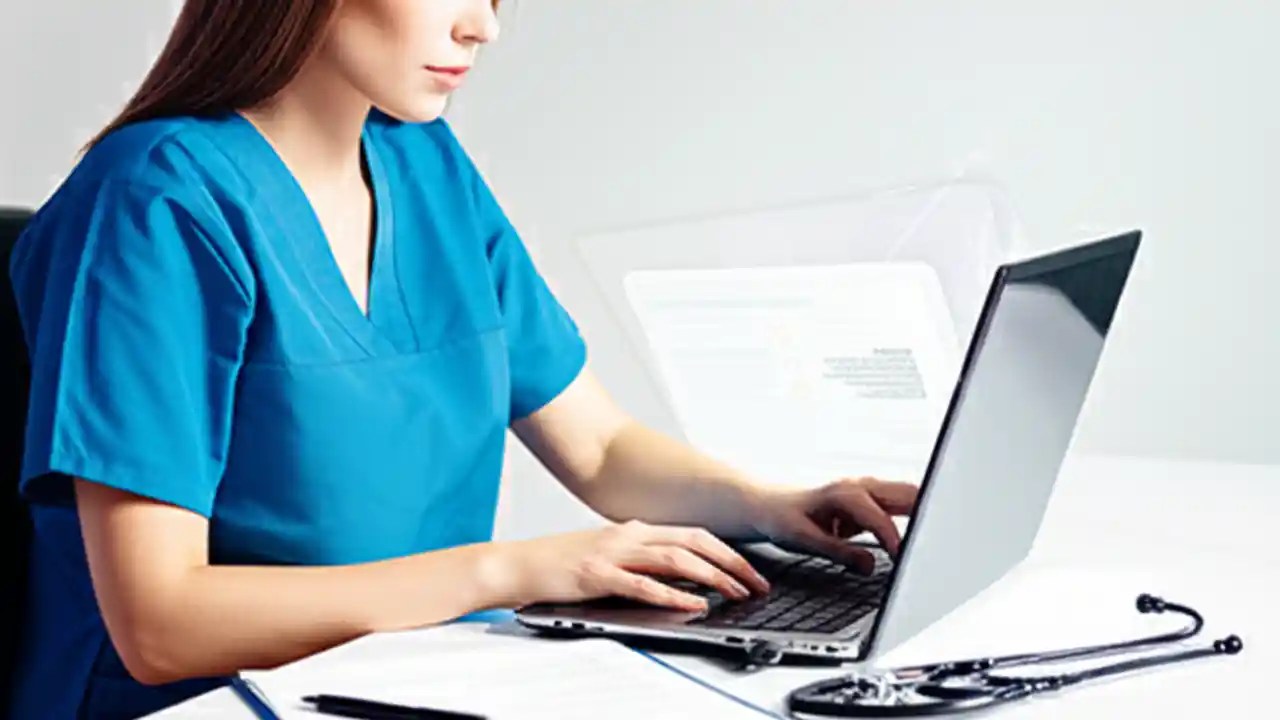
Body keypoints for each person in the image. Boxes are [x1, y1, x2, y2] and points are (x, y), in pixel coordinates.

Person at [6, 1, 918, 718]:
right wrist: (517, 572)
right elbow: (160, 626)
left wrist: (771, 508)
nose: (481, 23)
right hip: (202, 704)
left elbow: (599, 447)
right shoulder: (154, 203)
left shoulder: (422, 160)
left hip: (429, 677)